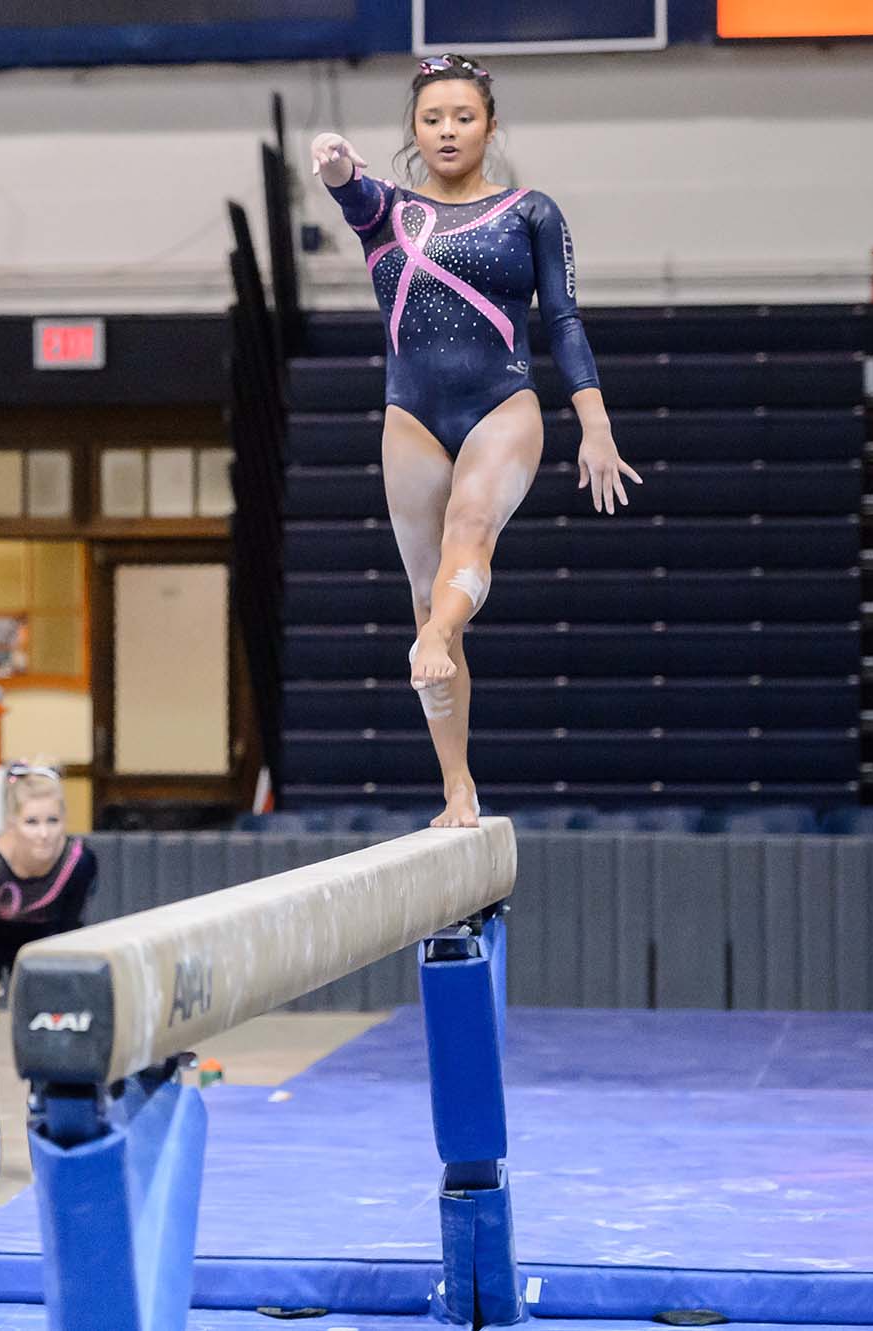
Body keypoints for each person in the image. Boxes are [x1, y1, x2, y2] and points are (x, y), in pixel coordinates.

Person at [312, 52, 639, 828]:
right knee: (427, 592)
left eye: (464, 117)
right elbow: (346, 187)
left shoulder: (532, 211)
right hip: (412, 415)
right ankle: (458, 784)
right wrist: (328, 159)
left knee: (468, 537)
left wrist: (595, 424)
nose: (448, 131)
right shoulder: (384, 211)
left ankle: (439, 634)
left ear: (490, 126)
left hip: (502, 405)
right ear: (414, 130)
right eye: (432, 119)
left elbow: (562, 319)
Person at [0, 765, 96, 1188]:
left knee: (53, 1041)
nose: (44, 833)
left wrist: (58, 988)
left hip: (45, 940)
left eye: (53, 821)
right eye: (31, 822)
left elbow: (69, 927)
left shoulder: (78, 861)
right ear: (12, 822)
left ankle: (52, 1151)